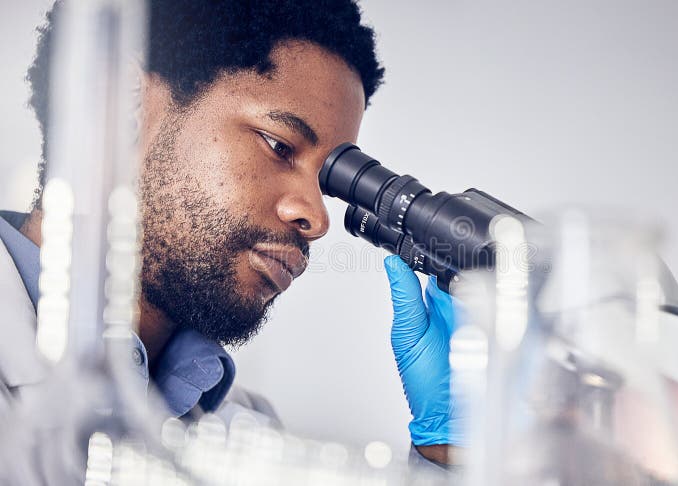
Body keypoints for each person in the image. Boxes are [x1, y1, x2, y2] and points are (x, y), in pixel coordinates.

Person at [0, 0, 461, 469]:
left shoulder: (248, 430)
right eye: (280, 146)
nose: (317, 220)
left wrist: (444, 451)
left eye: (326, 182)